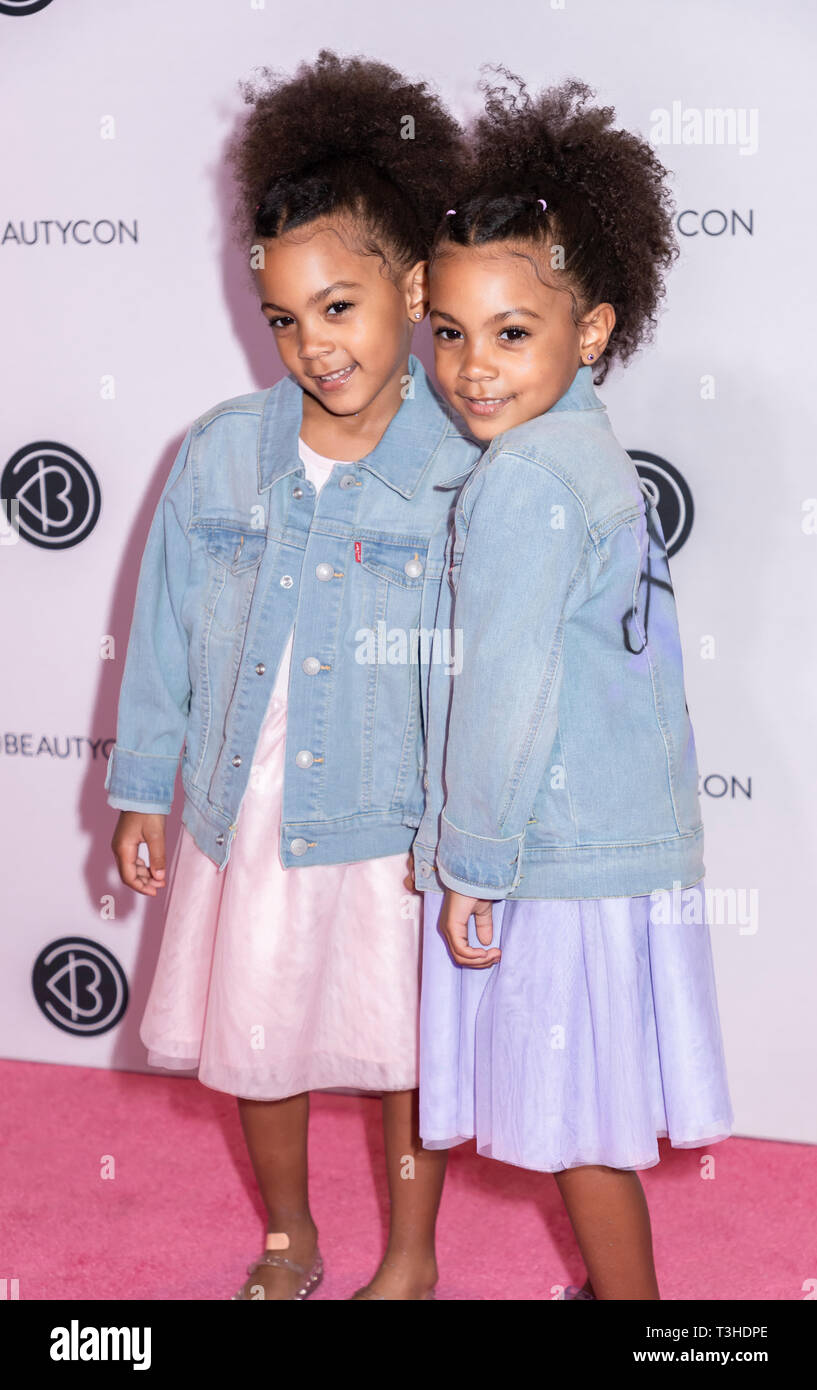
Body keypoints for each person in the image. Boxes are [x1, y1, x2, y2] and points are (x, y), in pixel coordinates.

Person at [106, 50, 480, 1301]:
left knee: (405, 1048)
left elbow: (489, 661)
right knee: (257, 1033)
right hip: (247, 808)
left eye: (338, 306)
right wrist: (143, 786)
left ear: (412, 289)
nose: (311, 344)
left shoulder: (466, 472)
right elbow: (162, 634)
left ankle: (412, 1255)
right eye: (282, 317)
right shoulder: (216, 457)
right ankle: (287, 1235)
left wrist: (480, 828)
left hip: (398, 820)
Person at [412, 71, 734, 1301]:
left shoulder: (522, 485)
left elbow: (504, 690)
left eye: (510, 333)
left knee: (581, 1126)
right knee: (591, 1113)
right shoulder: (590, 450)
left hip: (545, 850)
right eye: (447, 331)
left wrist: (470, 864)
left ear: (589, 330)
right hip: (616, 840)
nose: (469, 369)